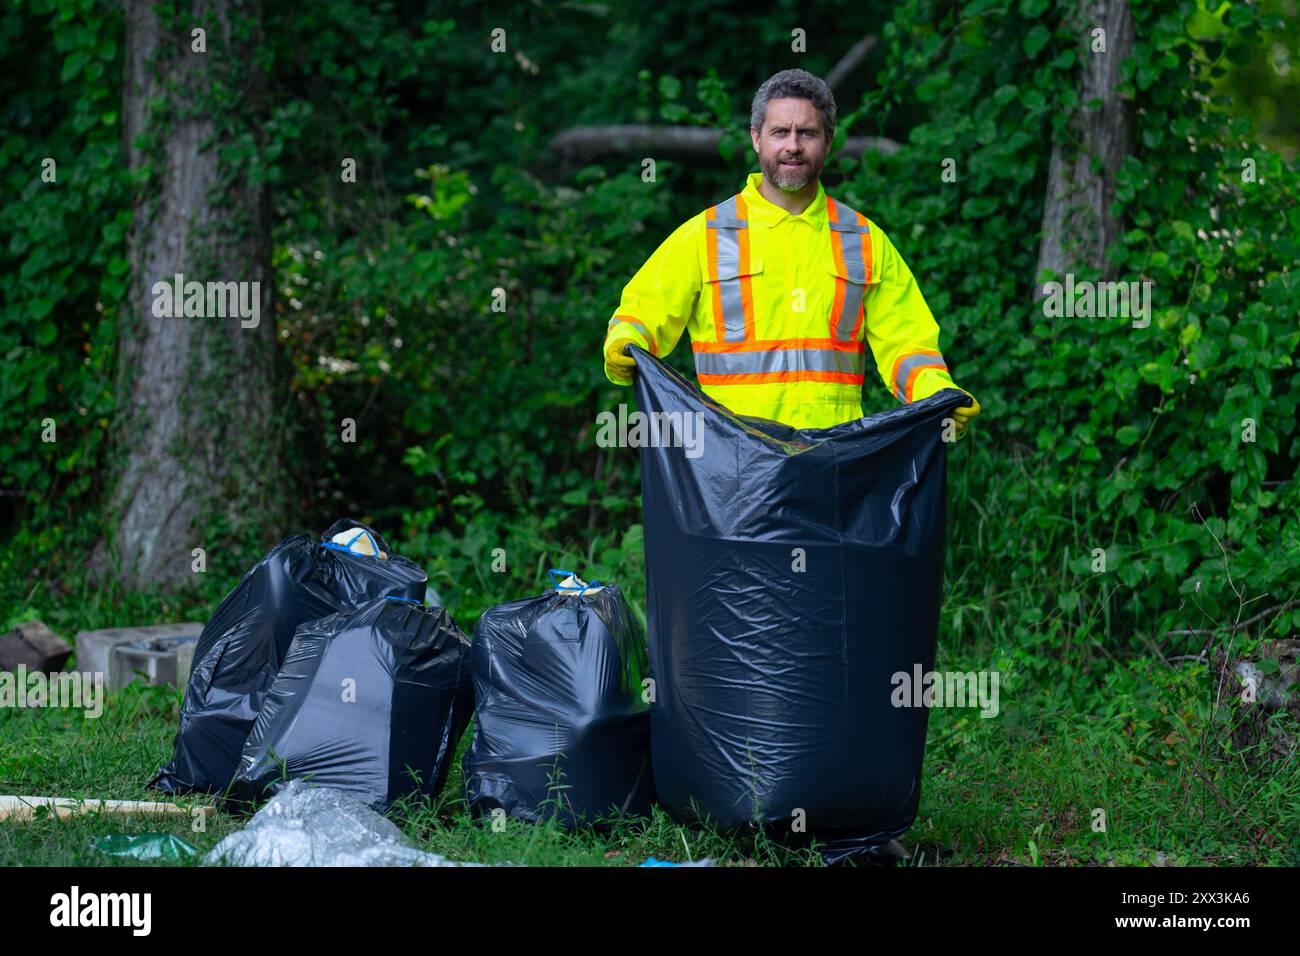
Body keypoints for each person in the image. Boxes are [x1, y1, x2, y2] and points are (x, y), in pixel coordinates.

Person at [602, 68, 980, 437]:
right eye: (780, 132)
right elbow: (642, 314)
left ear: (828, 142)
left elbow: (908, 344)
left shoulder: (863, 240)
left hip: (833, 458)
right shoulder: (706, 235)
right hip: (734, 460)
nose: (793, 146)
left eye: (808, 133)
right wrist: (624, 344)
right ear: (756, 138)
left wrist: (938, 396)